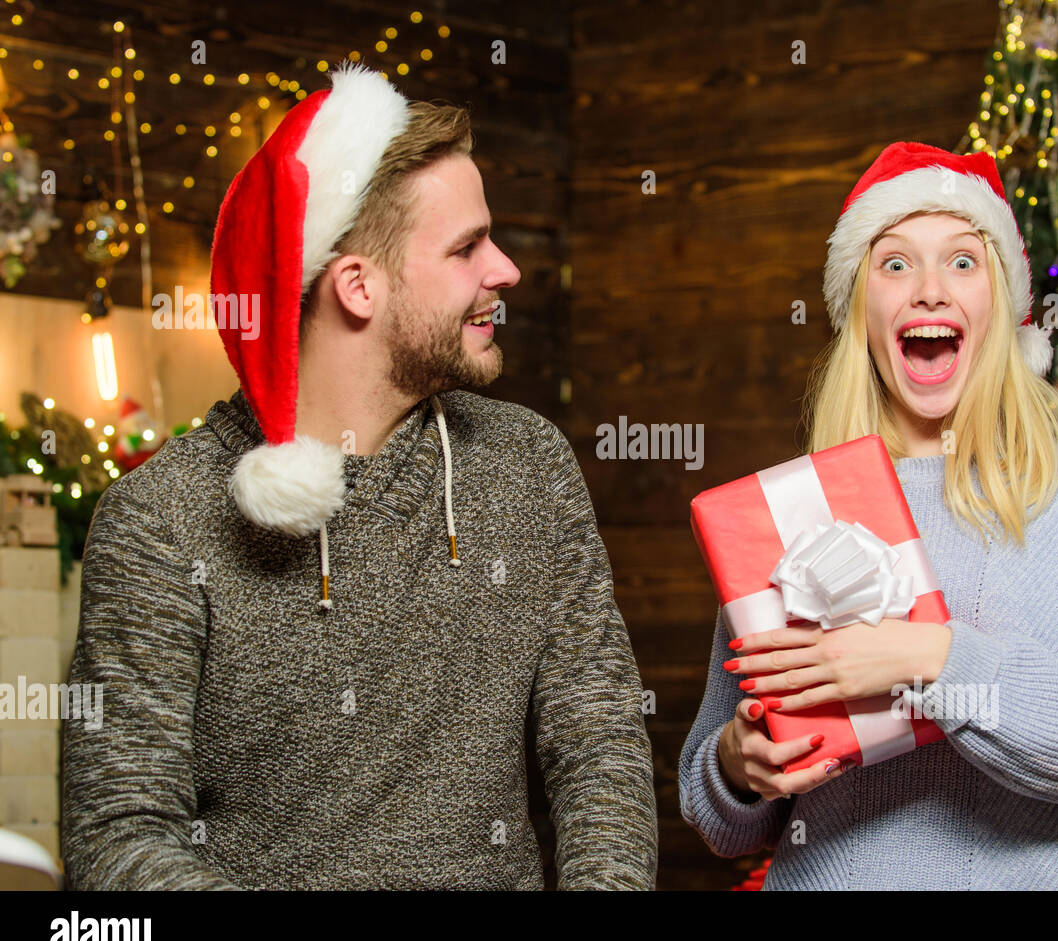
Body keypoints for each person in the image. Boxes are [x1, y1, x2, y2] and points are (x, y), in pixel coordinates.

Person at [62, 64, 657, 890]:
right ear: (358, 287)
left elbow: (598, 740)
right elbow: (119, 836)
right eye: (466, 248)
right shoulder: (161, 519)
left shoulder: (528, 466)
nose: (506, 271)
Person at [678, 141, 1058, 889]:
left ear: (1002, 305)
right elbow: (717, 814)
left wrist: (933, 657)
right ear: (862, 310)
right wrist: (735, 762)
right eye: (894, 263)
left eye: (962, 261)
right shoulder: (794, 514)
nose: (928, 292)